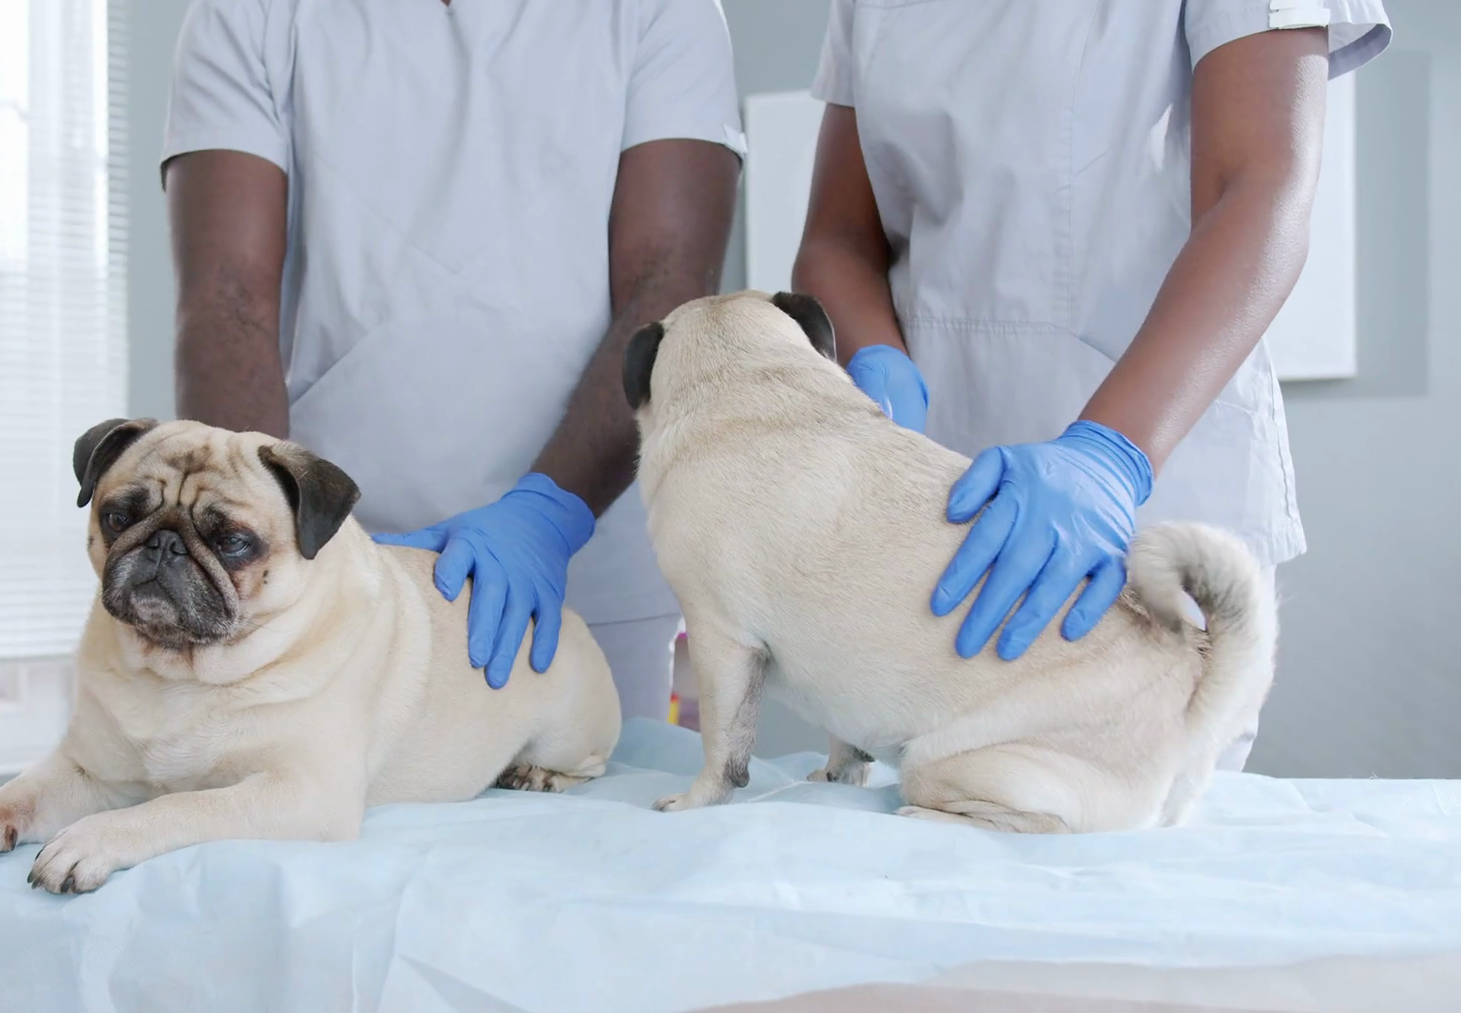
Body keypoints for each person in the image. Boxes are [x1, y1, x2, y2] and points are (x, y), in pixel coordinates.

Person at [793, 0, 1391, 770]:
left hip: (1146, 505)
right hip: (932, 506)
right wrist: (875, 363)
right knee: (920, 848)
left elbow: (1262, 186)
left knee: (1108, 845)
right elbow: (837, 238)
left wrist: (1111, 455)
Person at [161, 0, 745, 721]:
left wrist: (548, 517)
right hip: (332, 563)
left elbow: (670, 286)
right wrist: (268, 542)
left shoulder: (661, 12)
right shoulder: (252, 15)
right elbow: (226, 299)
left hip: (580, 568)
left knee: (584, 807)